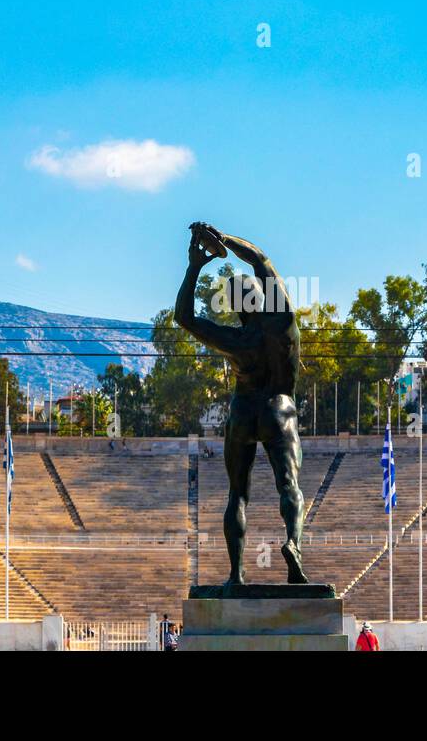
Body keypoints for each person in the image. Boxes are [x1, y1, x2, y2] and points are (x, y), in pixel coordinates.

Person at [175, 222, 307, 585]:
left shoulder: (236, 339)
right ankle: (293, 544)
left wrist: (195, 266)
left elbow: (183, 318)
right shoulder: (283, 324)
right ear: (262, 297)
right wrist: (225, 239)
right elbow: (260, 258)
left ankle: (236, 575)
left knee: (238, 493)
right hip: (279, 409)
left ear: (235, 306)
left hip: (244, 411)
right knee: (289, 485)